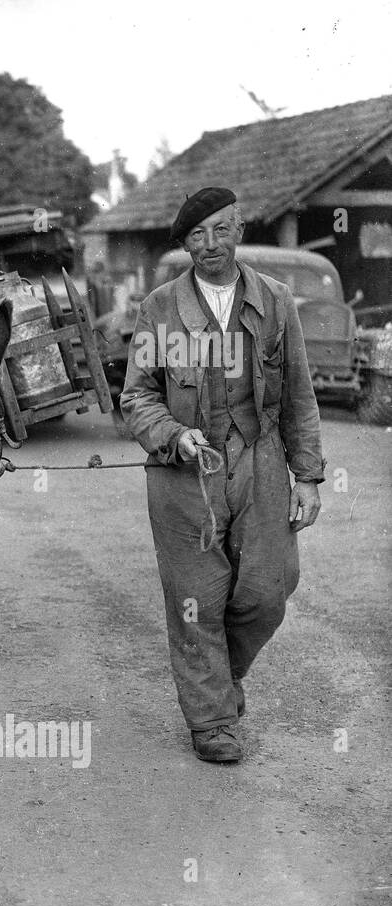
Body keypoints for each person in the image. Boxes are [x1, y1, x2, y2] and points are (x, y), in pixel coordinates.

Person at [121, 187, 324, 763]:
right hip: (186, 471)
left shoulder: (275, 300)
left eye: (219, 230)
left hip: (260, 458)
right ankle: (212, 720)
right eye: (195, 236)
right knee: (196, 600)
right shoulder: (160, 308)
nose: (209, 245)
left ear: (237, 231)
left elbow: (301, 396)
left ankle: (220, 679)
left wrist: (306, 476)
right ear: (185, 245)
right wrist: (171, 433)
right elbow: (137, 396)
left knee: (268, 591)